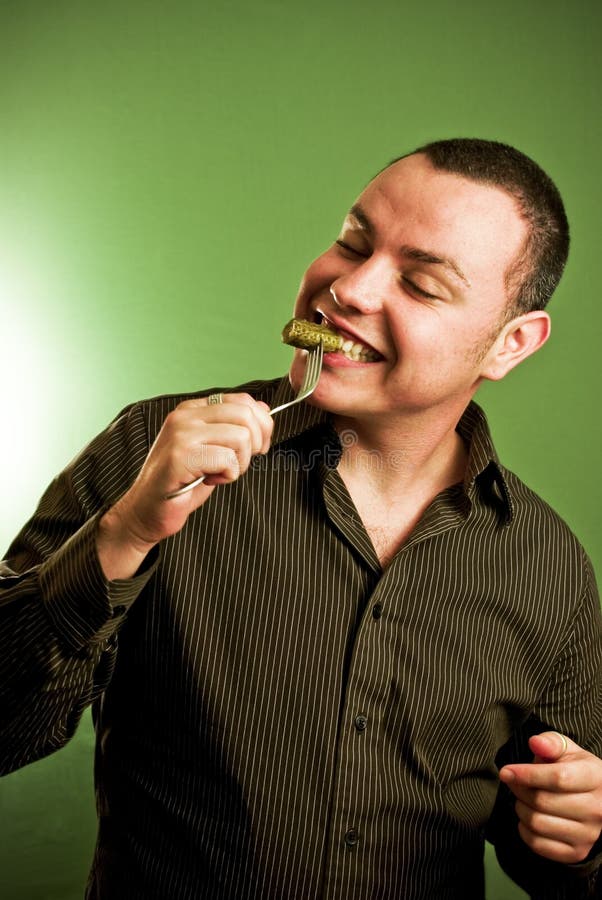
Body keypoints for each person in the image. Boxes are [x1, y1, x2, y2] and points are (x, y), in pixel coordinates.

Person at [1, 138, 601, 900]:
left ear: (510, 344)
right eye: (353, 242)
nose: (349, 288)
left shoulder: (549, 567)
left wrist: (581, 841)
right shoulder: (151, 451)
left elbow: (558, 860)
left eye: (420, 283)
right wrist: (125, 534)